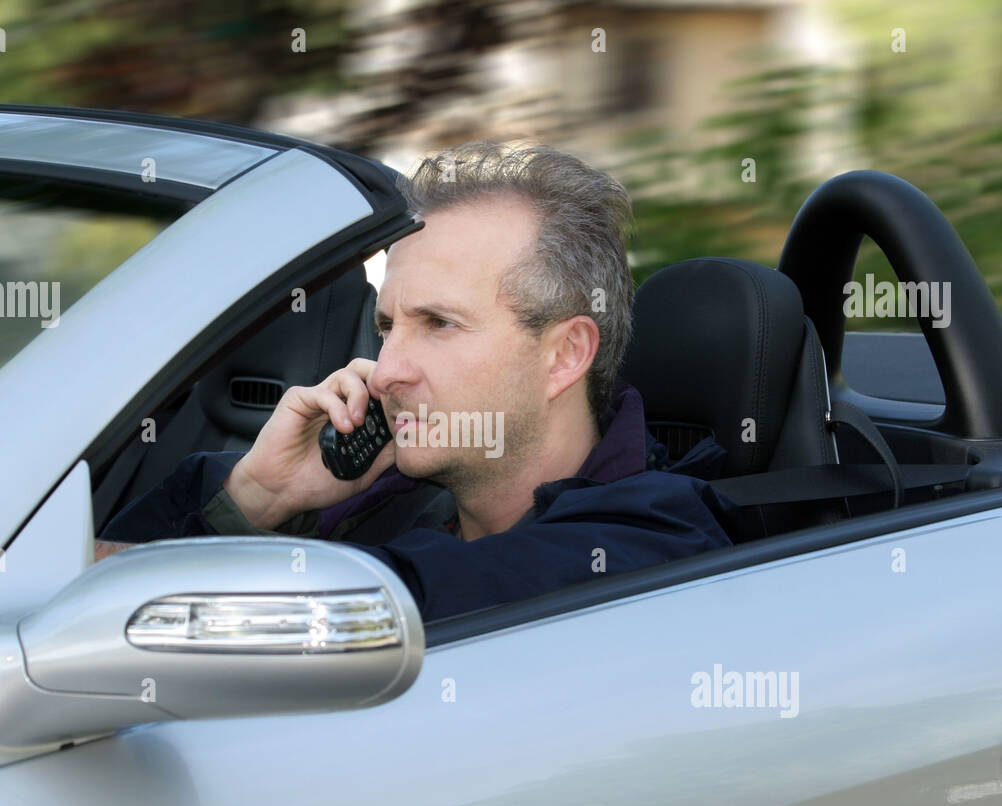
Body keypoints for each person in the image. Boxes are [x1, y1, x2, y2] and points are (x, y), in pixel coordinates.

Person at [97, 142, 738, 620]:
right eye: (387, 326)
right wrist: (257, 494)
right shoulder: (382, 497)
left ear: (565, 356)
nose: (389, 371)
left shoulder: (644, 549)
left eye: (439, 323)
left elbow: (385, 598)